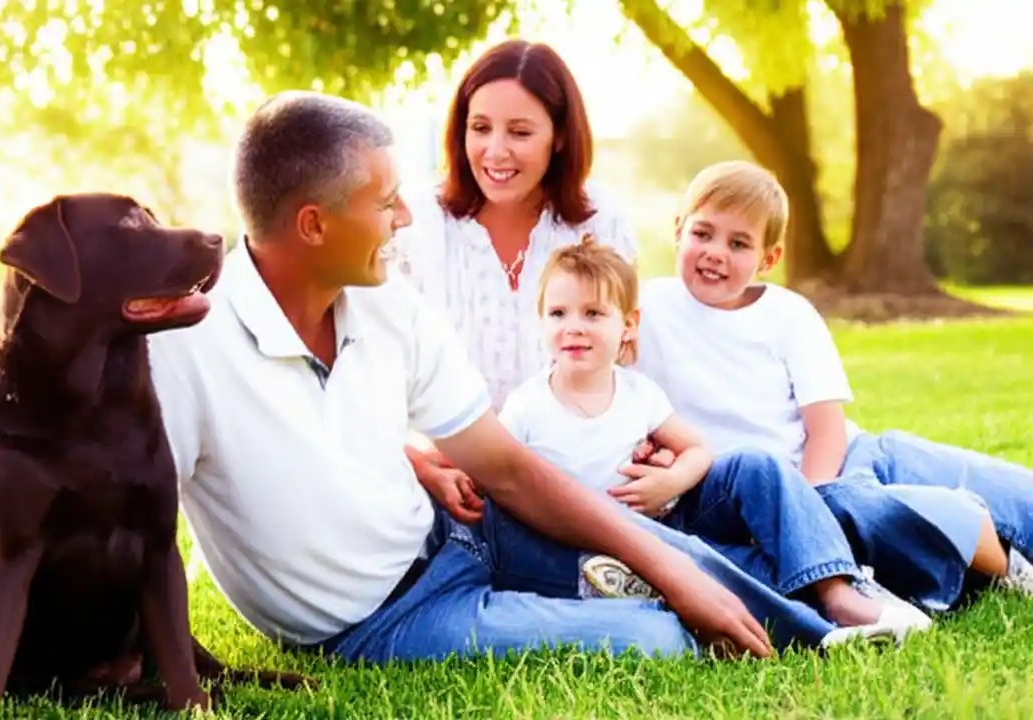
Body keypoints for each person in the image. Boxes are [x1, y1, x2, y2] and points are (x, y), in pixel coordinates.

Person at [146, 90, 867, 667]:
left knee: (666, 557)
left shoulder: (386, 303)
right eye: (386, 200)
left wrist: (674, 575)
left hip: (460, 530)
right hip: (386, 619)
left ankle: (834, 617)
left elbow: (507, 468)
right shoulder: (189, 345)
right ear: (313, 225)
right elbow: (134, 525)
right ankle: (688, 592)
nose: (405, 216)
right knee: (658, 639)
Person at [485, 237, 929, 644]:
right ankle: (816, 629)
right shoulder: (527, 406)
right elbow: (498, 481)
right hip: (599, 553)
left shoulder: (637, 392)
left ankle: (837, 591)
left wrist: (670, 482)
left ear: (628, 325)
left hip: (668, 523)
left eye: (593, 314)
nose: (574, 327)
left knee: (757, 465)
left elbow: (698, 450)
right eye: (558, 314)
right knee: (724, 564)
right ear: (540, 321)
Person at [633, 160, 1033, 609]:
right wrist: (806, 514)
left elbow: (826, 428)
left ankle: (988, 529)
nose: (715, 252)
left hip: (848, 456)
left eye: (739, 243)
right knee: (876, 509)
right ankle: (1002, 562)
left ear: (770, 258)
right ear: (678, 230)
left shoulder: (788, 314)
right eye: (702, 233)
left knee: (1011, 490)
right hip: (778, 497)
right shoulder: (645, 309)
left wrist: (813, 498)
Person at [385, 38, 639, 517]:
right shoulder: (416, 225)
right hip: (447, 482)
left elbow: (623, 357)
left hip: (576, 476)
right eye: (480, 128)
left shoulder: (599, 223)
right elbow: (374, 374)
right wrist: (419, 464)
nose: (495, 152)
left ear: (559, 136)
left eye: (519, 132)